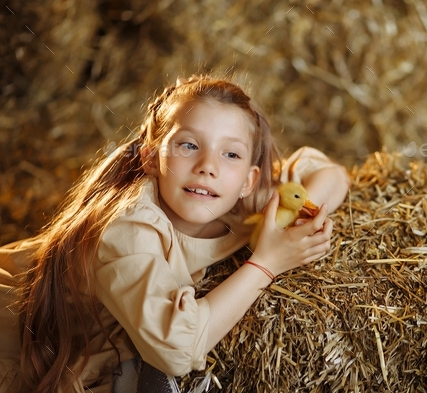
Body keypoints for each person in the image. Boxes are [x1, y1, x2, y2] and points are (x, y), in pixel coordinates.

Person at [0, 74, 350, 392]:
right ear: (152, 158)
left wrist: (294, 218)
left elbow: (331, 173)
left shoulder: (240, 200)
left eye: (230, 153)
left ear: (249, 180)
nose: (208, 166)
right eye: (188, 145)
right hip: (13, 344)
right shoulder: (127, 228)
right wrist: (267, 263)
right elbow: (176, 351)